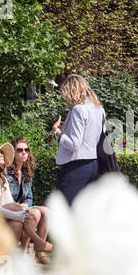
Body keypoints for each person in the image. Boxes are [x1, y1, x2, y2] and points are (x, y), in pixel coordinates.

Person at [0, 143, 52, 263]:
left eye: (1, 153)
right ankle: (38, 242)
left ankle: (9, 258)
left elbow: (10, 201)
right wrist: (18, 214)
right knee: (24, 212)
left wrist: (23, 212)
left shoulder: (1, 178)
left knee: (18, 223)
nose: (1, 155)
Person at [52, 74, 106, 205]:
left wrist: (57, 132)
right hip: (93, 164)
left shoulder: (78, 109)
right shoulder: (99, 109)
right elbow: (100, 135)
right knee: (85, 212)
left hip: (75, 166)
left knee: (64, 211)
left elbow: (74, 145)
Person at [7, 137, 51, 260]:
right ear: (13, 153)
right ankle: (23, 252)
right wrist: (20, 207)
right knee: (35, 213)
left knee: (46, 211)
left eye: (26, 150)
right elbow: (4, 198)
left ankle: (39, 251)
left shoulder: (27, 172)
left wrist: (26, 205)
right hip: (11, 208)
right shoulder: (6, 172)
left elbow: (29, 196)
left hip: (22, 207)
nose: (24, 152)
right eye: (19, 150)